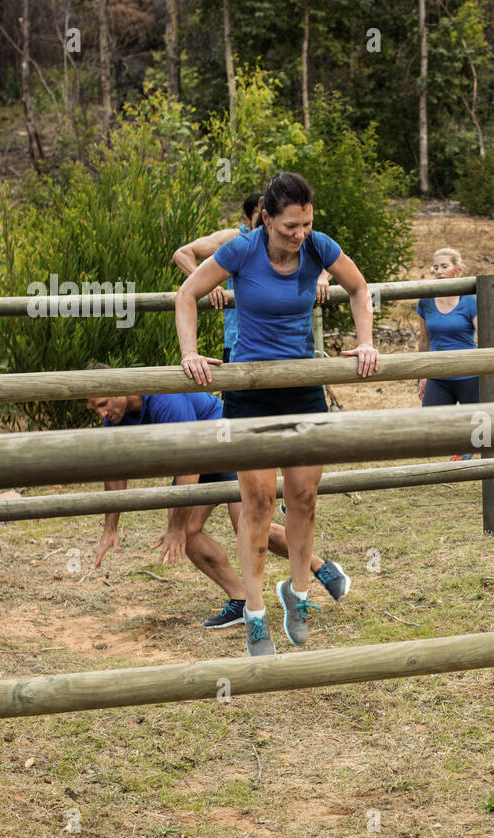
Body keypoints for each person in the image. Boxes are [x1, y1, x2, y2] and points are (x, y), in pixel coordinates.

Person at [174, 171, 379, 657]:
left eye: (306, 224)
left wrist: (365, 342)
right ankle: (256, 612)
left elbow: (360, 289)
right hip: (250, 388)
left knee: (304, 497)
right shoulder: (242, 250)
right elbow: (187, 295)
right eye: (290, 225)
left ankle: (299, 594)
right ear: (265, 218)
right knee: (259, 503)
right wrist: (190, 354)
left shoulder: (318, 247)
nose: (299, 234)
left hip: (303, 385)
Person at [85, 376, 350, 630]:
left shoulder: (164, 401)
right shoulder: (115, 420)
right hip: (200, 458)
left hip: (226, 446)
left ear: (120, 391)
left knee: (249, 528)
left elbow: (188, 465)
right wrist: (110, 529)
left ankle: (319, 566)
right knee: (188, 532)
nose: (101, 413)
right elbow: (115, 473)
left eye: (103, 404)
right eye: (94, 408)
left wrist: (175, 527)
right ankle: (242, 600)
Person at [172, 193, 330, 363]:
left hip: (289, 346)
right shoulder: (235, 240)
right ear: (250, 219)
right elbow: (182, 254)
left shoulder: (293, 240)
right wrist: (207, 284)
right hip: (239, 341)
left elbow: (332, 259)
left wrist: (322, 276)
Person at [414, 247, 494, 495]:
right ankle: (465, 449)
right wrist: (422, 376)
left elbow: (486, 338)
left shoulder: (470, 300)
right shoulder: (426, 300)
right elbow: (424, 341)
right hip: (438, 376)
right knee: (431, 426)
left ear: (458, 270)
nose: (438, 271)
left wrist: (493, 374)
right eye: (435, 267)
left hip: (470, 374)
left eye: (444, 266)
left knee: (488, 430)